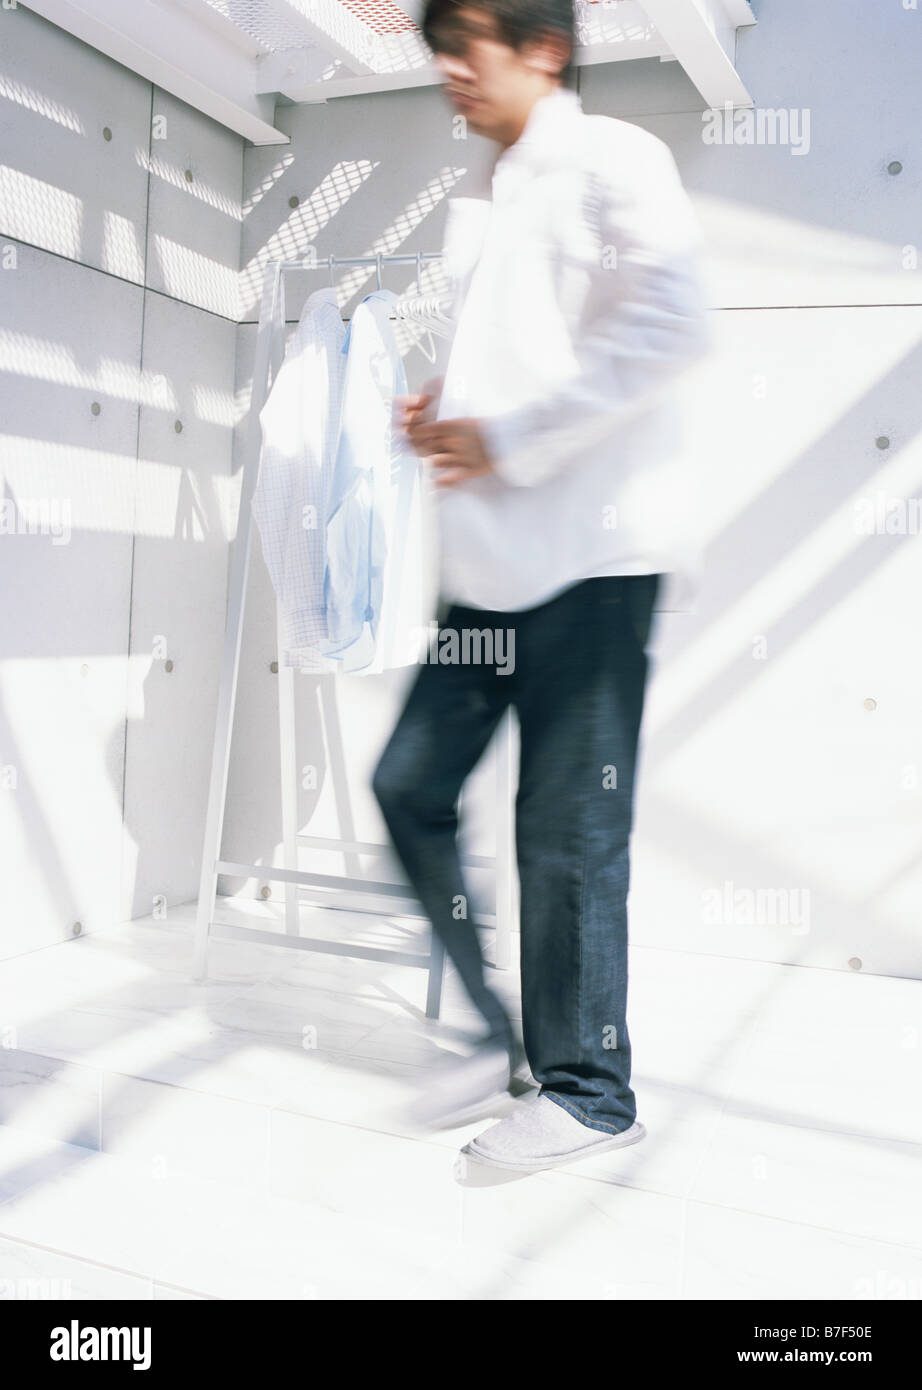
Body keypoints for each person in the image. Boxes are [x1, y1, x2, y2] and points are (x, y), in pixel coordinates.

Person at [372, 0, 714, 1172]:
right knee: (409, 782)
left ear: (543, 49)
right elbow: (519, 357)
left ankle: (585, 1093)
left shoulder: (619, 160)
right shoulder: (488, 199)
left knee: (564, 833)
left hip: (597, 557)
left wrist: (506, 435)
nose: (447, 69)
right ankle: (486, 1030)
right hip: (491, 572)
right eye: (438, 49)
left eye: (466, 43)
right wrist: (440, 404)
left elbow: (670, 329)